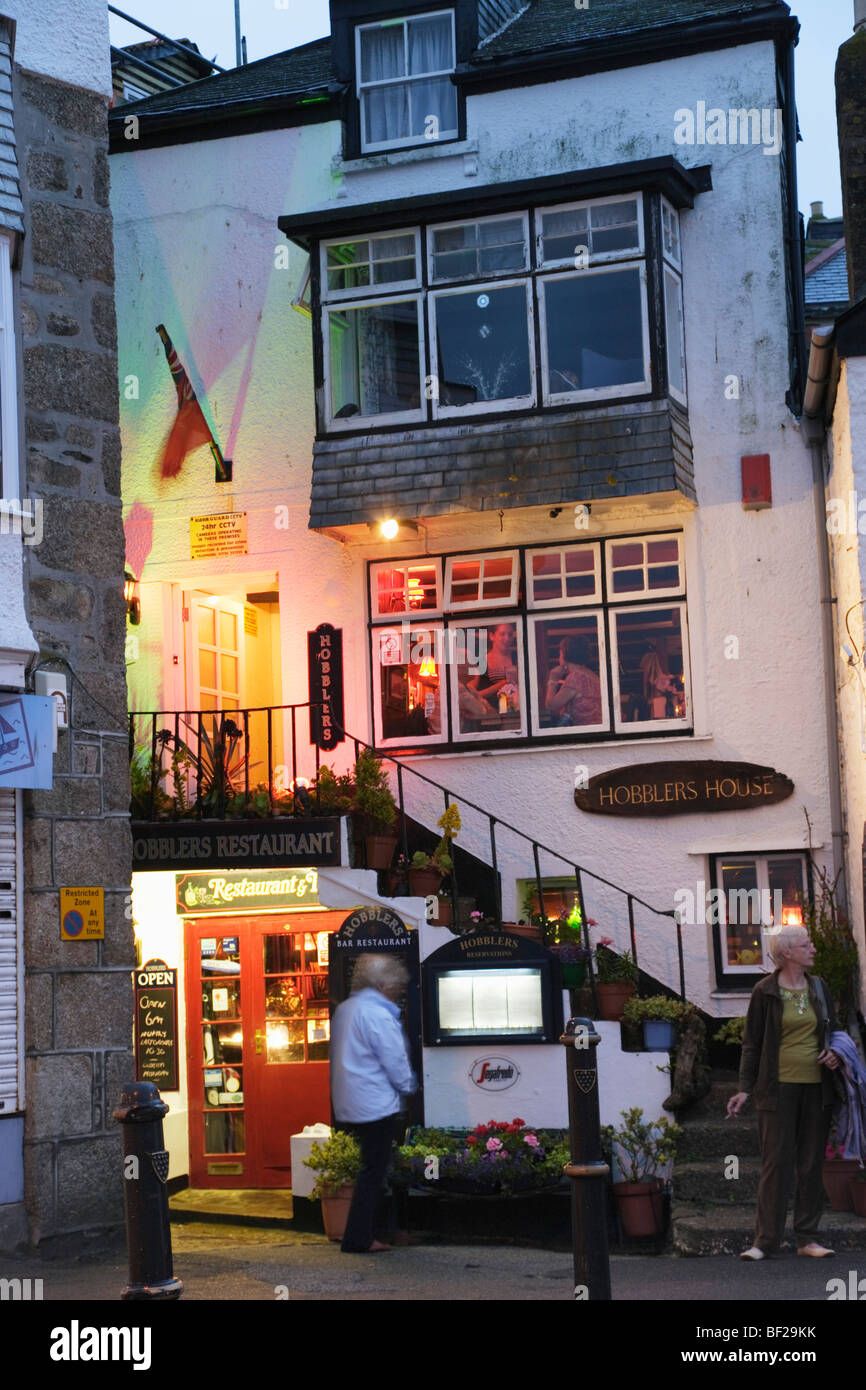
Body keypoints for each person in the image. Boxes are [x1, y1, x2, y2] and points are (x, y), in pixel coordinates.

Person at [726, 924, 841, 1260]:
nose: (813, 950)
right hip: (775, 1091)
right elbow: (752, 1043)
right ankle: (764, 1242)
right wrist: (745, 1089)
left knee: (811, 1163)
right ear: (788, 953)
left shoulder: (819, 987)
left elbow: (832, 1034)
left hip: (818, 1089)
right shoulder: (765, 991)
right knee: (776, 1163)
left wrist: (834, 1054)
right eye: (807, 945)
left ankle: (807, 1239)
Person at [329, 954, 417, 1254]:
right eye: (395, 983)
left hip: (351, 1102)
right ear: (381, 984)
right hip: (375, 1103)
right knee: (374, 1171)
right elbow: (393, 1058)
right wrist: (408, 1086)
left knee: (374, 1169)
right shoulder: (376, 1014)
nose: (399, 989)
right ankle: (360, 1238)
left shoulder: (347, 1009)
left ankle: (378, 1231)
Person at [544, 636, 602, 727]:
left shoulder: (576, 677)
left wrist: (552, 680)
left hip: (585, 733)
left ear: (564, 655)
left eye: (559, 653)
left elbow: (551, 706)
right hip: (597, 730)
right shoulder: (591, 675)